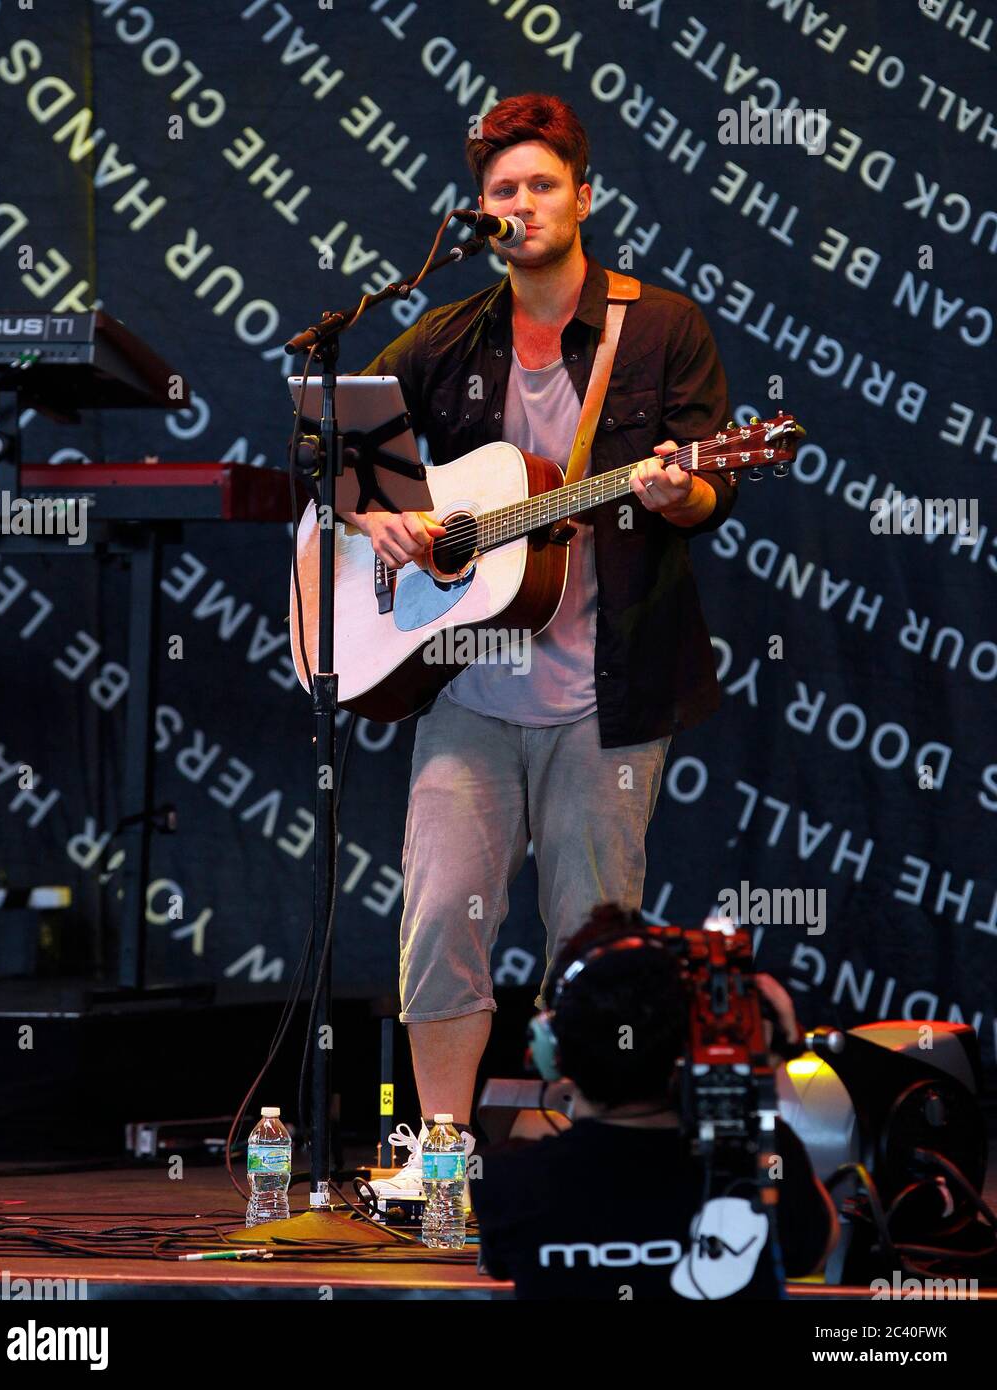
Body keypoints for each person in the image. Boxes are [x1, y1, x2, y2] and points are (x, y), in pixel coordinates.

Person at [339, 92, 738, 1198]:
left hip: (604, 692)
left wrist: (679, 489)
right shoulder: (448, 333)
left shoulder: (656, 326)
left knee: (591, 936)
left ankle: (588, 1152)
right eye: (502, 190)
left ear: (583, 197)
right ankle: (443, 1157)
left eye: (541, 184)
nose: (522, 203)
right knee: (435, 920)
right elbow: (339, 435)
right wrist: (377, 511)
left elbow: (708, 485)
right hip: (468, 688)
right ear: (479, 213)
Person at [469, 905, 840, 1299]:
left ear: (551, 1046)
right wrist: (760, 1069)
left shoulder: (506, 1181)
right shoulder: (760, 1163)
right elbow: (812, 1252)